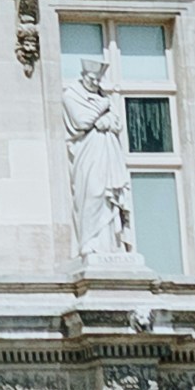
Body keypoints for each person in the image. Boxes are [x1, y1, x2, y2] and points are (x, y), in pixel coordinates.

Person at [61, 58, 136, 265]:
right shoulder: (71, 96)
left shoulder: (102, 96)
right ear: (84, 76)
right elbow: (82, 121)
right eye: (92, 79)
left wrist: (108, 120)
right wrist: (103, 108)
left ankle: (112, 245)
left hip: (108, 152)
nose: (95, 83)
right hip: (88, 153)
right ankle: (88, 242)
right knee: (92, 193)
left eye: (98, 80)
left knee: (107, 196)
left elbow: (117, 122)